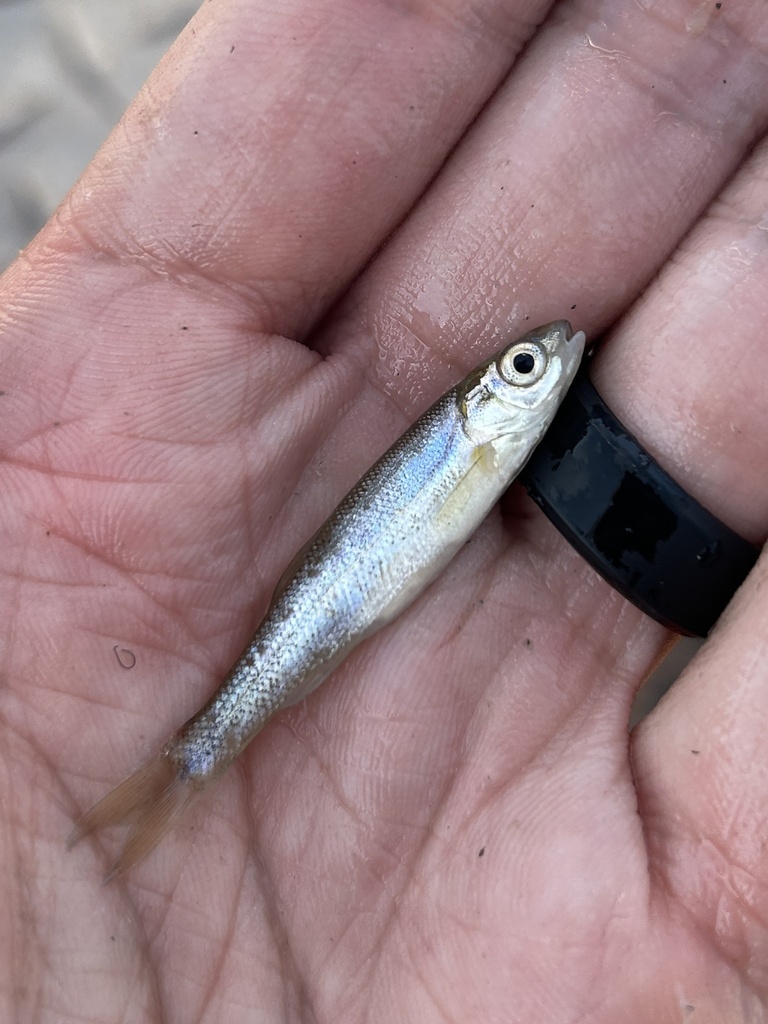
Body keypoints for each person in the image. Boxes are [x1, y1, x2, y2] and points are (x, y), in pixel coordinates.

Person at [2, 0, 767, 1019]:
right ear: (495, 397)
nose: (546, 366)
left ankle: (186, 765)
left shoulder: (489, 428)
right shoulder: (479, 428)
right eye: (528, 366)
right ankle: (191, 760)